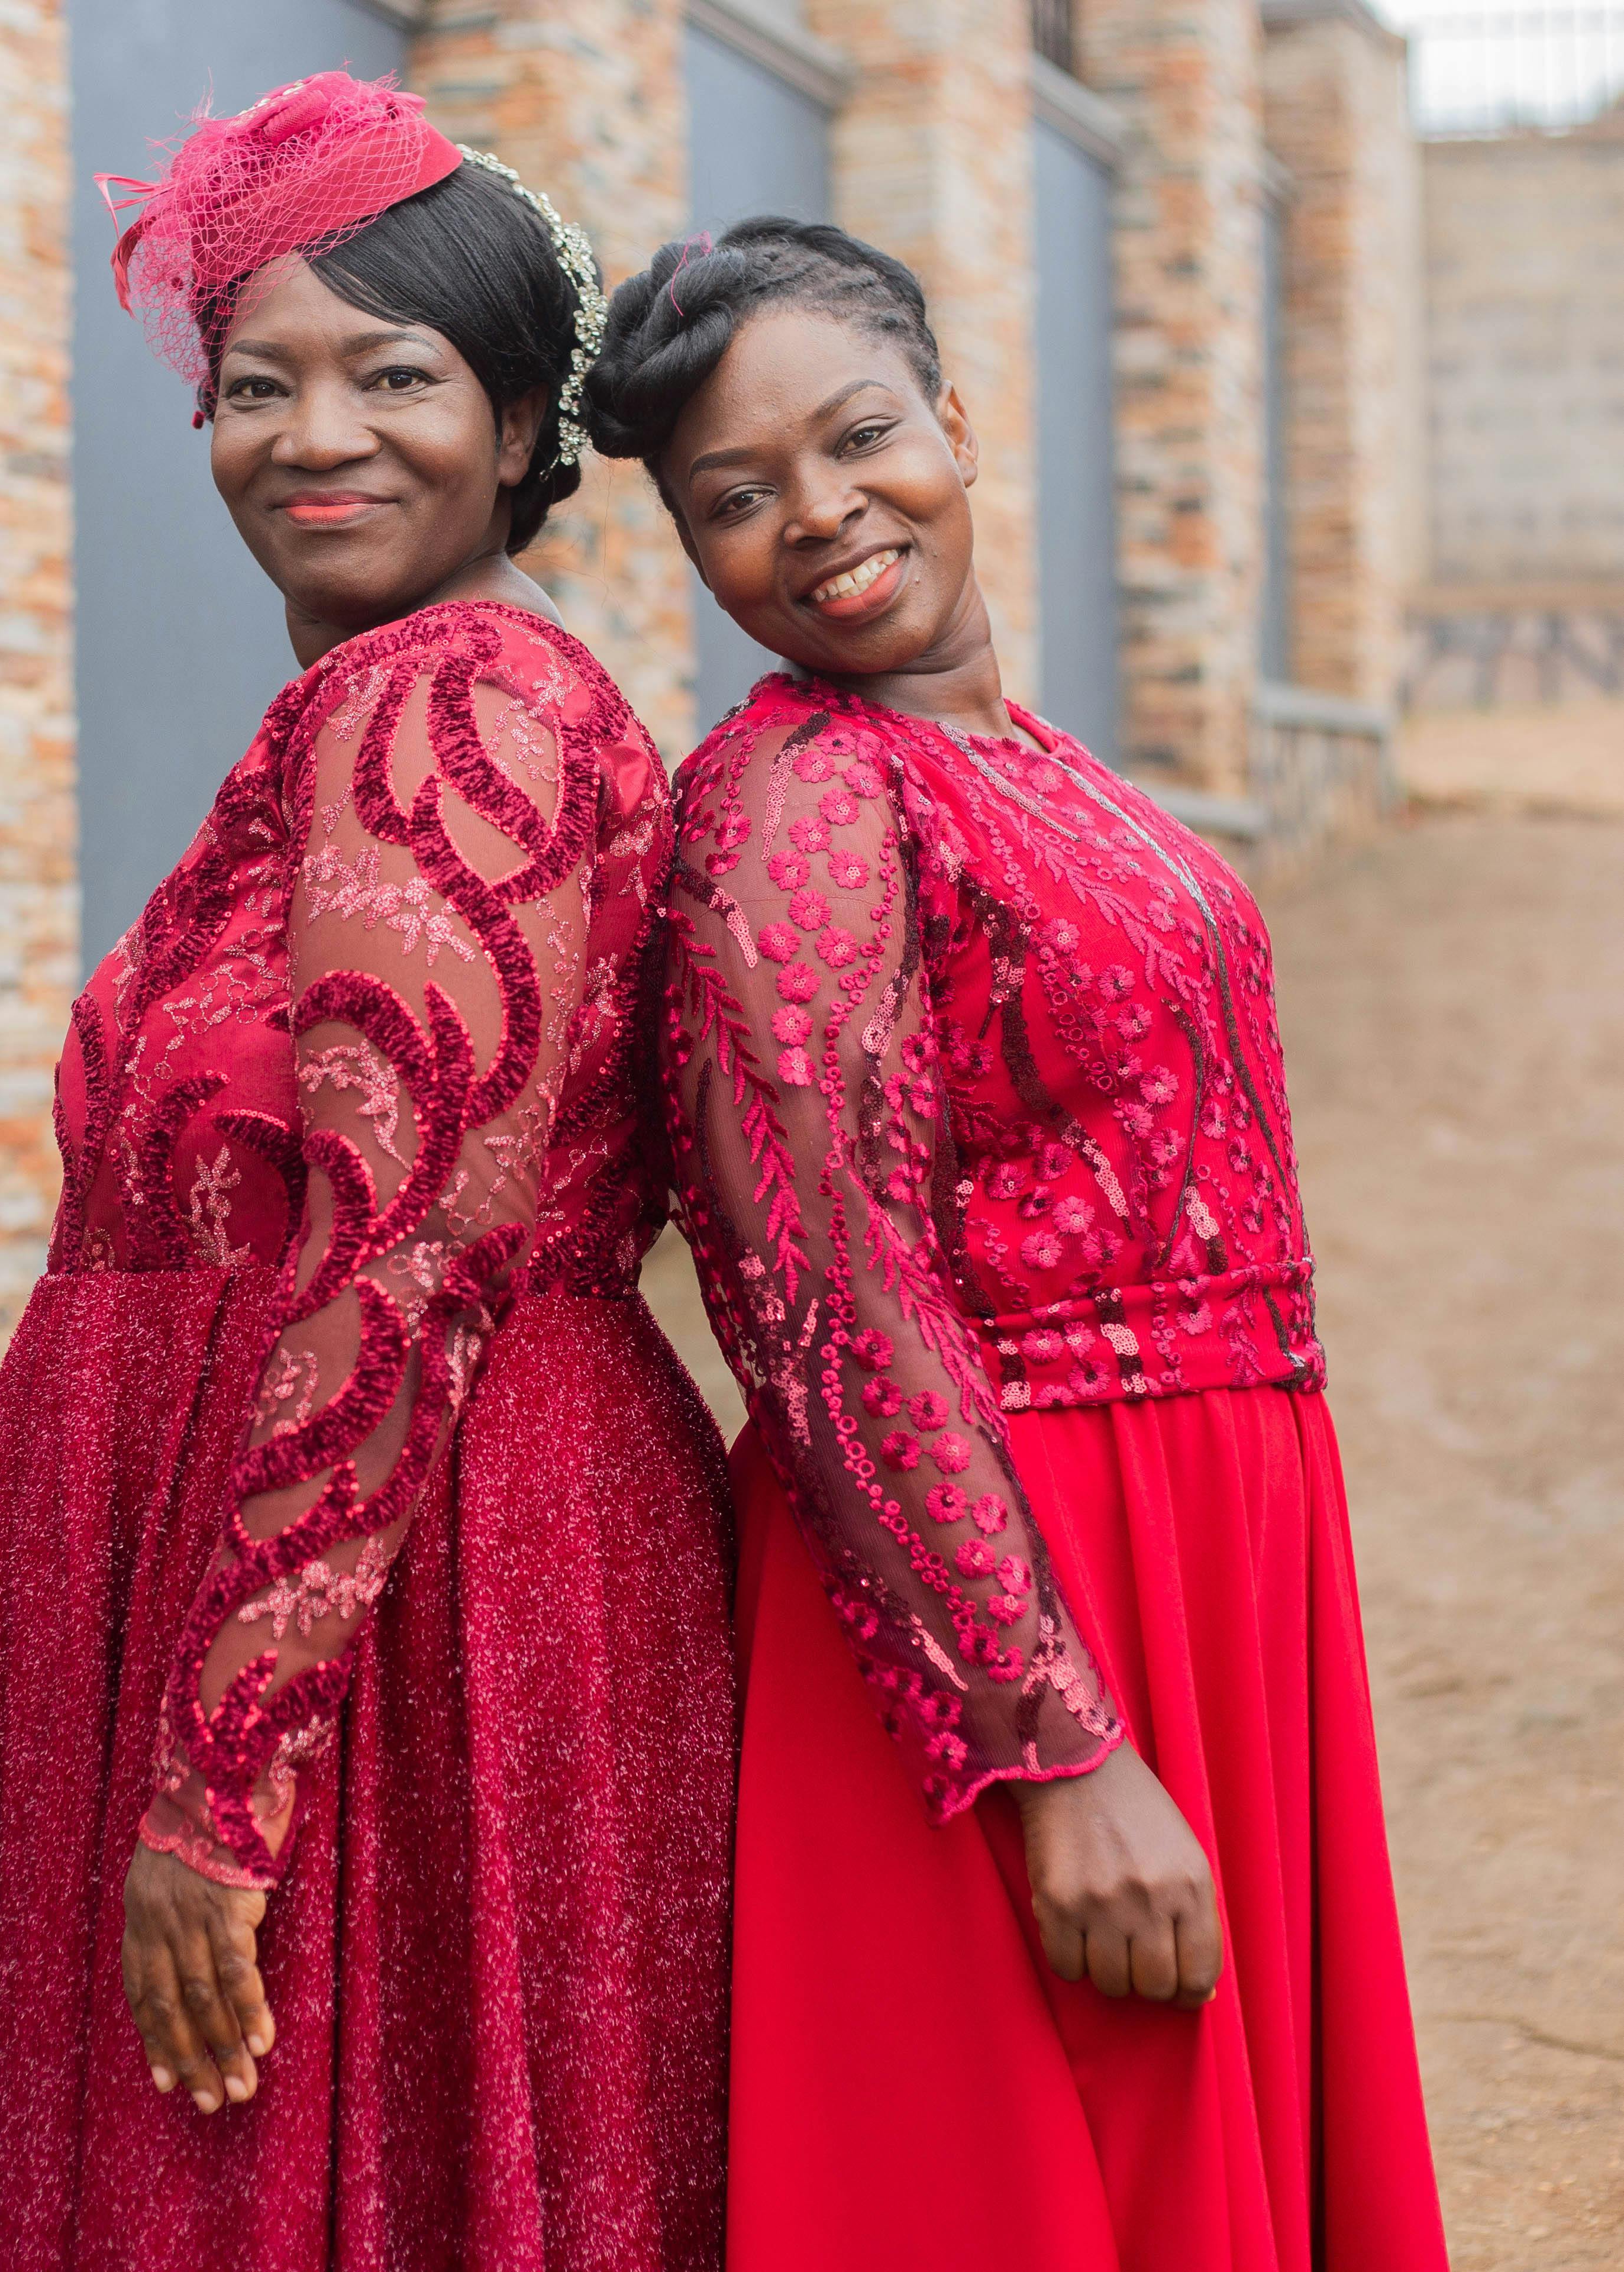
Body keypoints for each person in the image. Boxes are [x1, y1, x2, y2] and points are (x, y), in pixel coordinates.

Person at [0, 75, 734, 2272]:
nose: (315, 434)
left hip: (403, 1599)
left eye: (394, 375)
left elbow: (406, 1239)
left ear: (524, 414)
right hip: (301, 1555)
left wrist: (223, 1772)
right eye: (259, 384)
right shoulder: (370, 700)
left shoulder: (449, 707)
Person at [583, 217, 1449, 2272]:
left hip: (1202, 1549)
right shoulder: (790, 804)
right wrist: (1050, 1755)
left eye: (858, 436)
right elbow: (820, 1309)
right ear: (691, 553)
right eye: (732, 498)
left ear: (955, 423)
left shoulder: (1014, 755)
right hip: (1006, 1609)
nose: (817, 516)